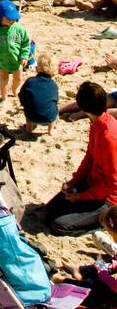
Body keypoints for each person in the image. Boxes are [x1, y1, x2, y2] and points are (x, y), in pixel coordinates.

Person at [44, 81, 117, 235]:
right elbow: (90, 157)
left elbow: (112, 182)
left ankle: (104, 223)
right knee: (49, 211)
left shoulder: (109, 136)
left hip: (108, 198)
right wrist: (74, 182)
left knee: (59, 225)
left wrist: (82, 196)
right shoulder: (96, 124)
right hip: (92, 184)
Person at [0, 0, 32, 102]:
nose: (13, 20)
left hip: (17, 60)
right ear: (1, 17)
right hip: (1, 60)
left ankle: (15, 90)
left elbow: (26, 43)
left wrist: (24, 56)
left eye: (14, 18)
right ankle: (4, 97)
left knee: (18, 78)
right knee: (3, 79)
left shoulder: (18, 28)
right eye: (9, 18)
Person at [19, 51, 59, 136]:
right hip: (48, 118)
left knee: (28, 106)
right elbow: (55, 100)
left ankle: (29, 129)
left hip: (31, 116)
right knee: (55, 109)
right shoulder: (53, 85)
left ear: (37, 69)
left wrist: (24, 104)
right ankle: (50, 130)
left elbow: (21, 95)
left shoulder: (30, 81)